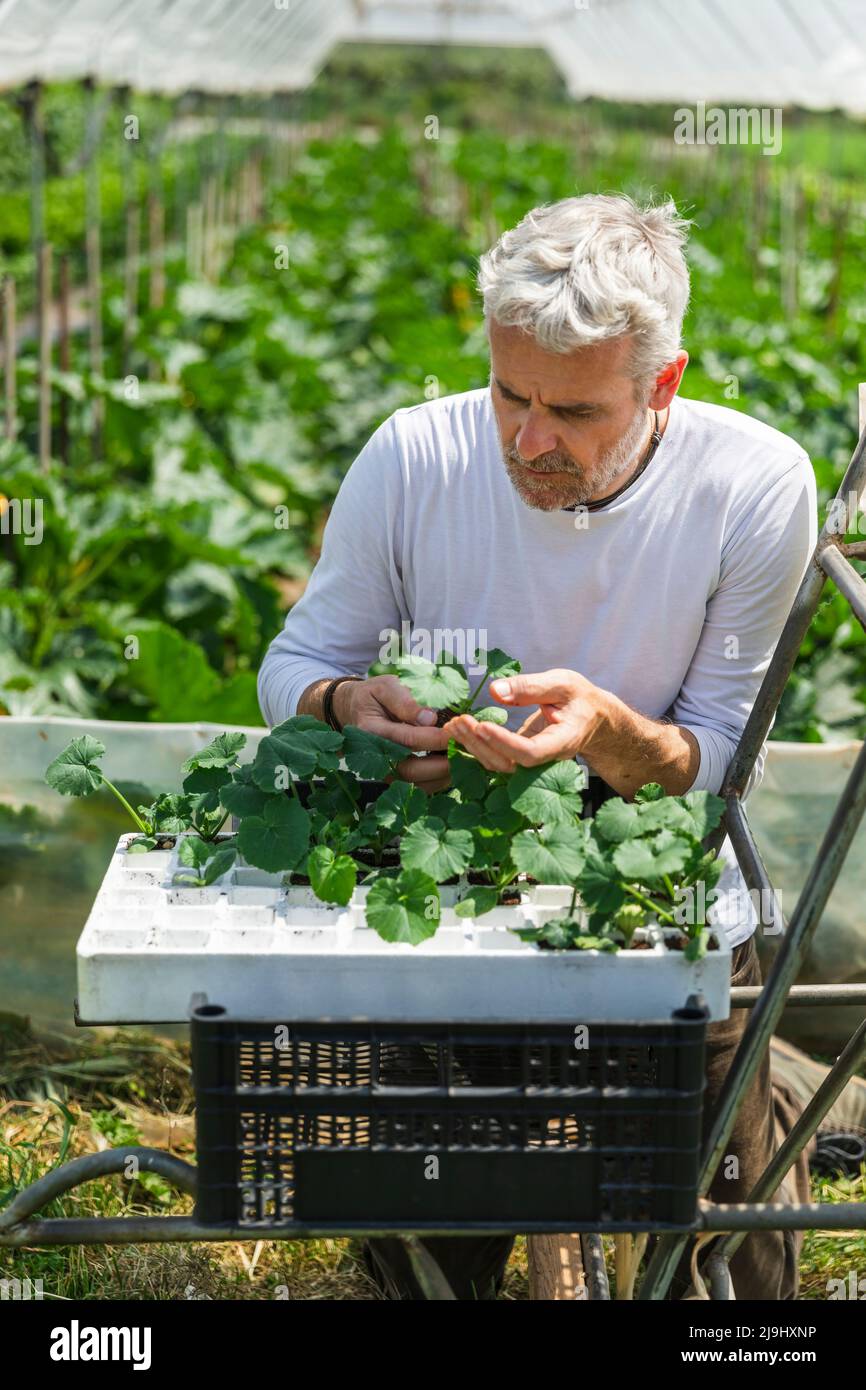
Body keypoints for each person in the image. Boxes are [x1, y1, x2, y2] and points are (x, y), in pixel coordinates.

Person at [259, 193, 831, 1299]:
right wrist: (345, 704)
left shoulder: (753, 486)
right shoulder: (413, 455)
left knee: (725, 1237)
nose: (526, 439)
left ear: (659, 385)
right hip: (450, 883)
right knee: (430, 1236)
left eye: (570, 411)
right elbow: (292, 666)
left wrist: (609, 732)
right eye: (507, 392)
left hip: (655, 884)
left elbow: (721, 760)